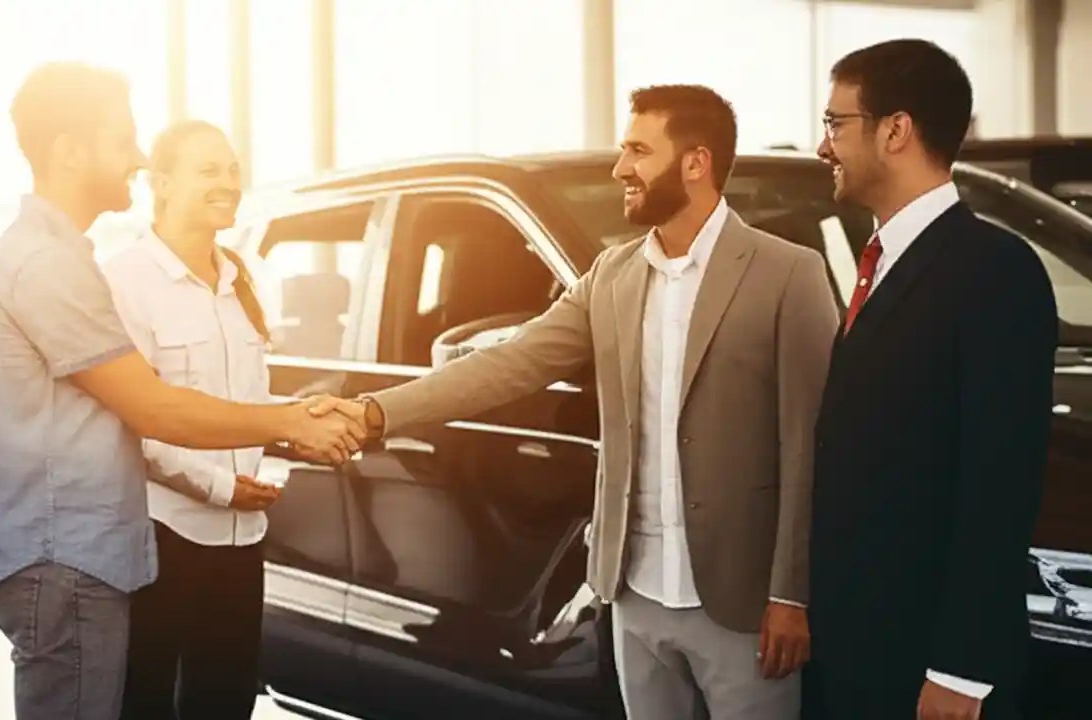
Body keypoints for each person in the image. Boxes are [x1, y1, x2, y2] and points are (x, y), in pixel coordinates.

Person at [321, 85, 838, 719]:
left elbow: (811, 445)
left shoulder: (789, 273)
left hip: (741, 604)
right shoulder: (611, 277)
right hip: (633, 594)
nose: (623, 167)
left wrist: (793, 597)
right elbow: (509, 364)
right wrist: (377, 412)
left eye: (639, 151)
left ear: (695, 163)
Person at [0, 62, 364, 720]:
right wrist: (289, 421)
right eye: (123, 140)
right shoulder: (53, 265)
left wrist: (282, 427)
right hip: (65, 557)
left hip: (79, 555)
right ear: (71, 151)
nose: (138, 157)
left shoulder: (55, 259)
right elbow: (151, 408)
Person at [808, 39, 1057, 720]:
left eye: (835, 123)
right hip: (859, 648)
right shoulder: (880, 260)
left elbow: (998, 486)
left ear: (895, 130)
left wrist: (962, 670)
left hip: (931, 668)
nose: (823, 145)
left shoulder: (993, 271)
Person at [102, 120, 276, 719]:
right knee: (147, 705)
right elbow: (133, 419)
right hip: (164, 537)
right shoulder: (124, 279)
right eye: (209, 170)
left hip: (243, 538)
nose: (229, 182)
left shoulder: (240, 275)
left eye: (232, 168)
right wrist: (224, 487)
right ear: (163, 183)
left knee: (226, 705)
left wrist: (296, 430)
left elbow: (250, 403)